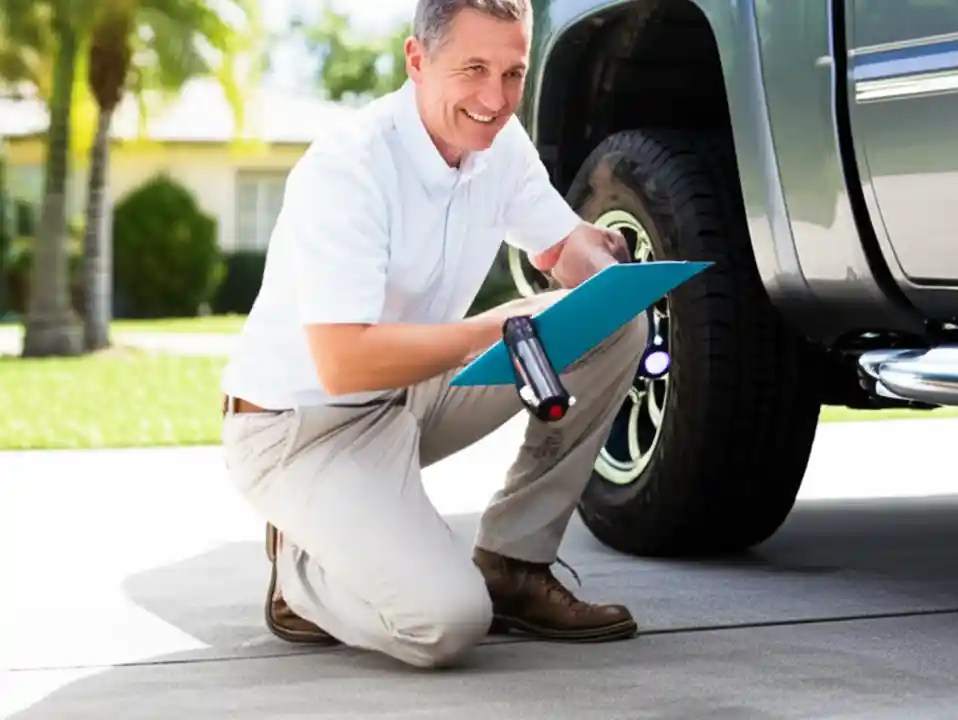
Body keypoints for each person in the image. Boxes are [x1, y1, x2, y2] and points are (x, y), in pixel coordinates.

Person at [218, 0, 646, 669]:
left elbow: (563, 247)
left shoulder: (499, 145)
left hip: (407, 395)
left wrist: (602, 264)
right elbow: (342, 363)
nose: (495, 99)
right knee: (445, 624)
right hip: (301, 429)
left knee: (614, 320)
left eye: (513, 73)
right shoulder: (350, 167)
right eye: (473, 69)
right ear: (417, 61)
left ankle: (514, 565)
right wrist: (488, 328)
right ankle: (302, 569)